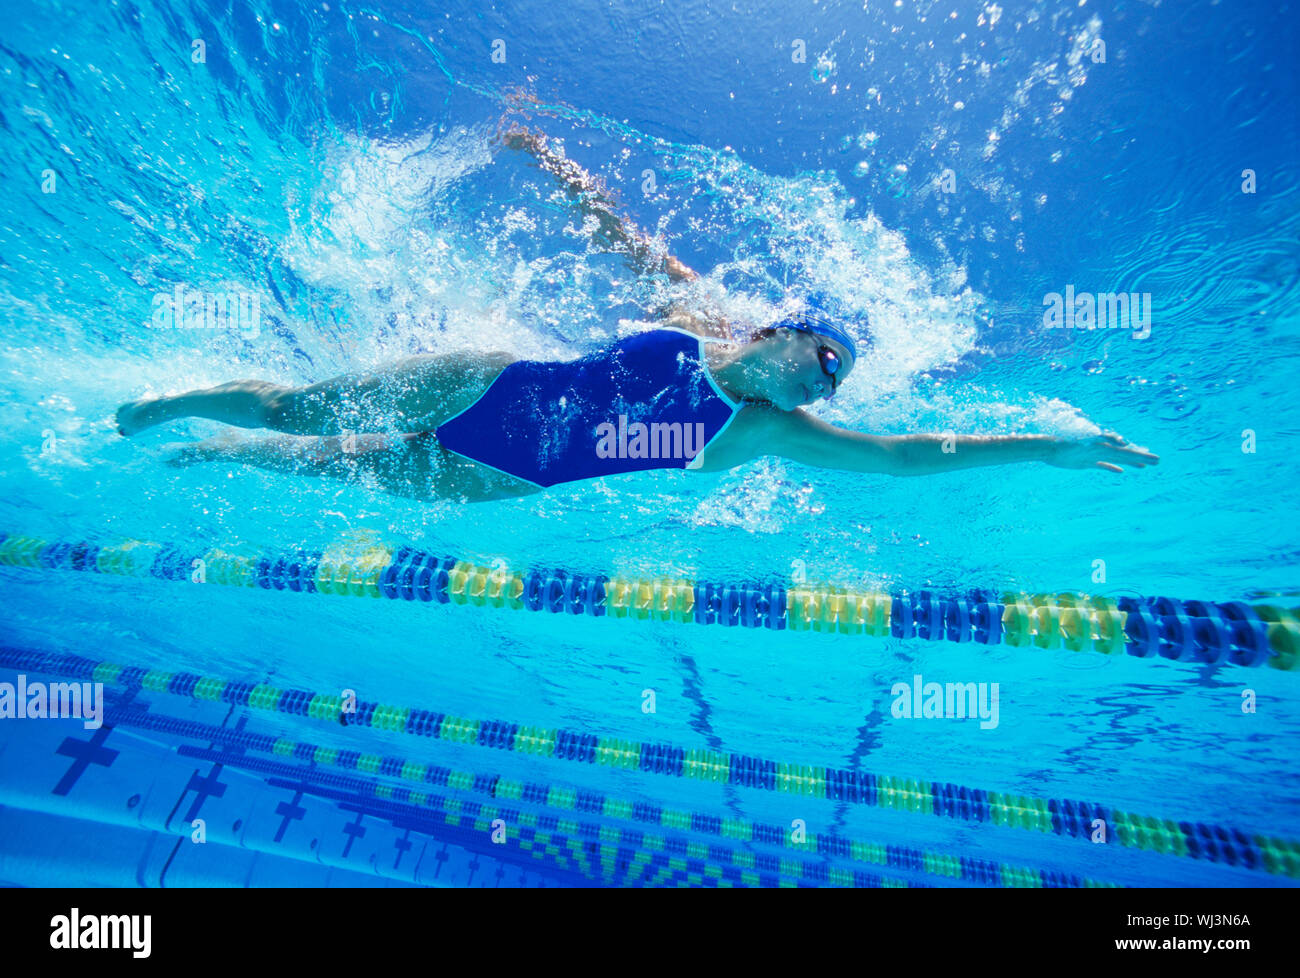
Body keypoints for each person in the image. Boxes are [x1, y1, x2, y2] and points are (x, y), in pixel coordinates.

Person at [115, 127, 1157, 502]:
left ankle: (212, 455)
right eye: (822, 354)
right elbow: (621, 236)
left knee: (328, 463)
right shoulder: (700, 320)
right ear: (786, 330)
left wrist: (1042, 447)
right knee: (305, 408)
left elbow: (904, 457)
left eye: (836, 377)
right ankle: (176, 406)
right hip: (483, 382)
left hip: (500, 475)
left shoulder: (762, 432)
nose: (822, 380)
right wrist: (552, 162)